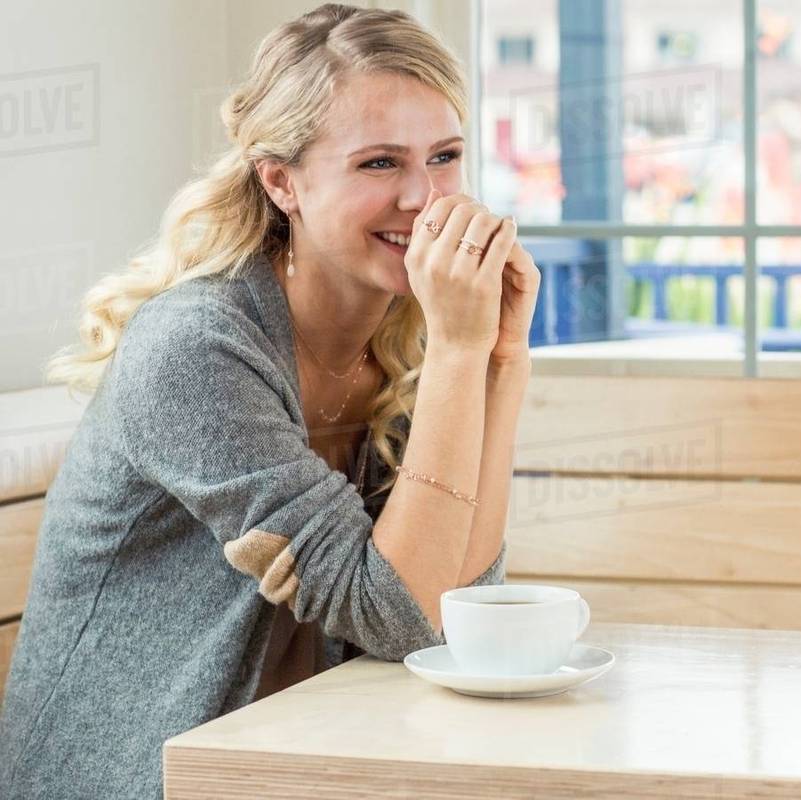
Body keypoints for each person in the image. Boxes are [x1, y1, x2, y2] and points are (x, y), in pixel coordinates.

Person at [0, 4, 540, 798]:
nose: (425, 198)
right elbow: (401, 614)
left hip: (291, 769)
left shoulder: (408, 335)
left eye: (446, 156)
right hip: (135, 781)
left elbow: (457, 607)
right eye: (379, 164)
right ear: (280, 180)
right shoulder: (197, 348)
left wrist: (501, 358)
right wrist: (464, 350)